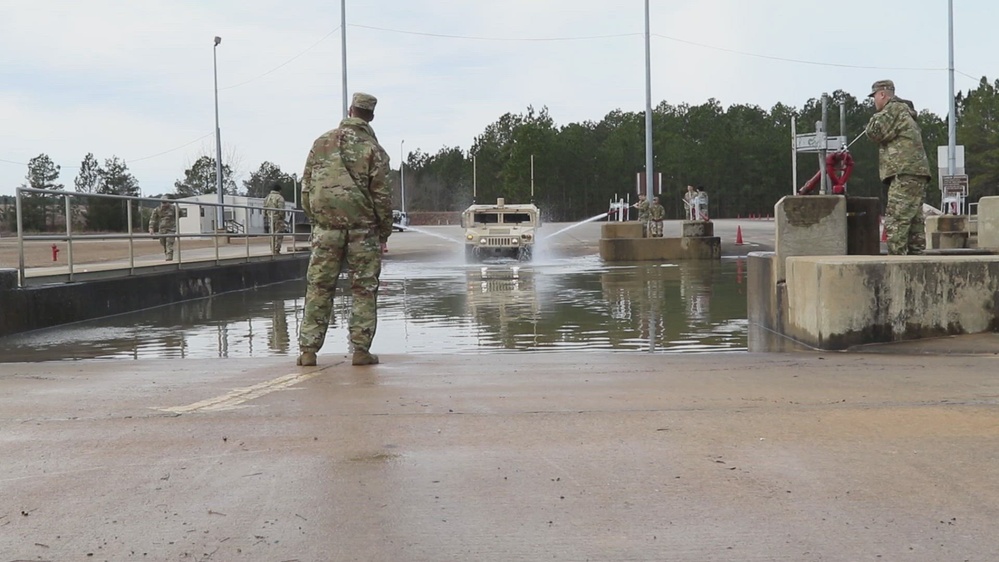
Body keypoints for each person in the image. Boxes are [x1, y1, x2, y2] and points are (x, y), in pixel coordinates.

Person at [297, 92, 392, 367]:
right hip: (363, 232)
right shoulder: (374, 150)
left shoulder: (321, 143)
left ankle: (308, 351)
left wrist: (318, 220)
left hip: (326, 230)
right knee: (363, 289)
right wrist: (383, 233)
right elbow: (382, 198)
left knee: (318, 288)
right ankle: (360, 350)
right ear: (370, 116)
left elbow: (306, 187)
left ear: (350, 110)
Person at [865, 79, 931, 255]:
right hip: (916, 172)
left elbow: (874, 131)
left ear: (882, 95)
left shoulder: (893, 109)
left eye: (874, 97)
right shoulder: (904, 111)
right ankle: (916, 263)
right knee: (915, 224)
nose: (874, 102)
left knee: (896, 221)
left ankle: (897, 268)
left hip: (905, 172)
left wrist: (875, 117)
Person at [148, 195, 176, 261]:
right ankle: (167, 254)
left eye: (165, 202)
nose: (164, 204)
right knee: (163, 243)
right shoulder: (157, 209)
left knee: (169, 243)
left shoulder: (174, 208)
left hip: (171, 229)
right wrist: (151, 228)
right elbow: (153, 219)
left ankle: (169, 257)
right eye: (163, 203)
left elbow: (180, 214)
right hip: (162, 229)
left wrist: (174, 221)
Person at [262, 182, 287, 254]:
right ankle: (277, 250)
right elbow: (281, 209)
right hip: (278, 219)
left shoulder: (267, 197)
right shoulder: (279, 197)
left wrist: (266, 215)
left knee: (272, 235)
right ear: (279, 190)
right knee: (279, 235)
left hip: (270, 218)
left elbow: (264, 208)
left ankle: (272, 249)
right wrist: (281, 216)